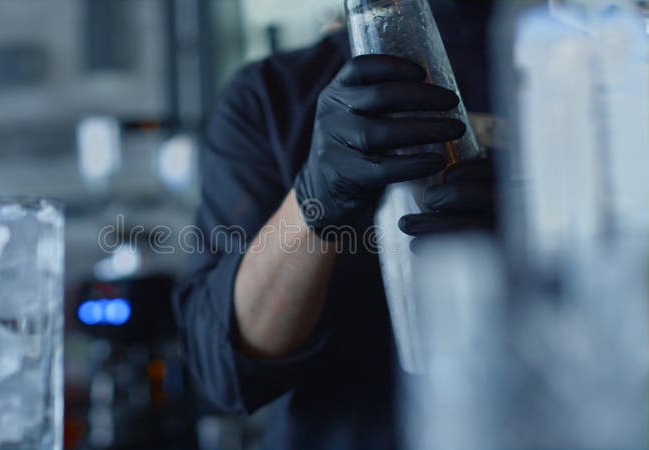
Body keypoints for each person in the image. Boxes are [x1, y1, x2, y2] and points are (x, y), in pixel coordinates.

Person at [173, 1, 496, 448]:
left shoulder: (570, 64)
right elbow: (223, 367)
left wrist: (528, 245)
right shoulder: (271, 97)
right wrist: (313, 201)